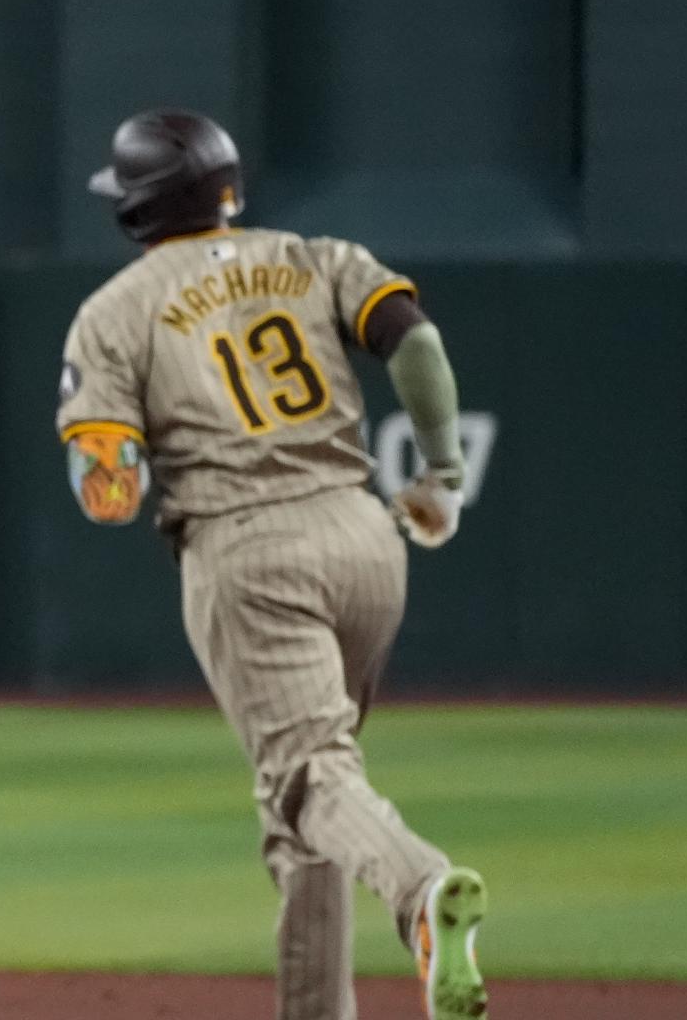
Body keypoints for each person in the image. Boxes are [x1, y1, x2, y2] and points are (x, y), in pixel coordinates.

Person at [55, 108, 488, 1020]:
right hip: (364, 534)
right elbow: (417, 342)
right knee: (310, 798)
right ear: (227, 190)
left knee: (311, 777)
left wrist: (118, 454)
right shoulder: (314, 255)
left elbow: (110, 494)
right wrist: (443, 472)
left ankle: (421, 890)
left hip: (248, 550)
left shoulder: (112, 313)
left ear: (134, 211)